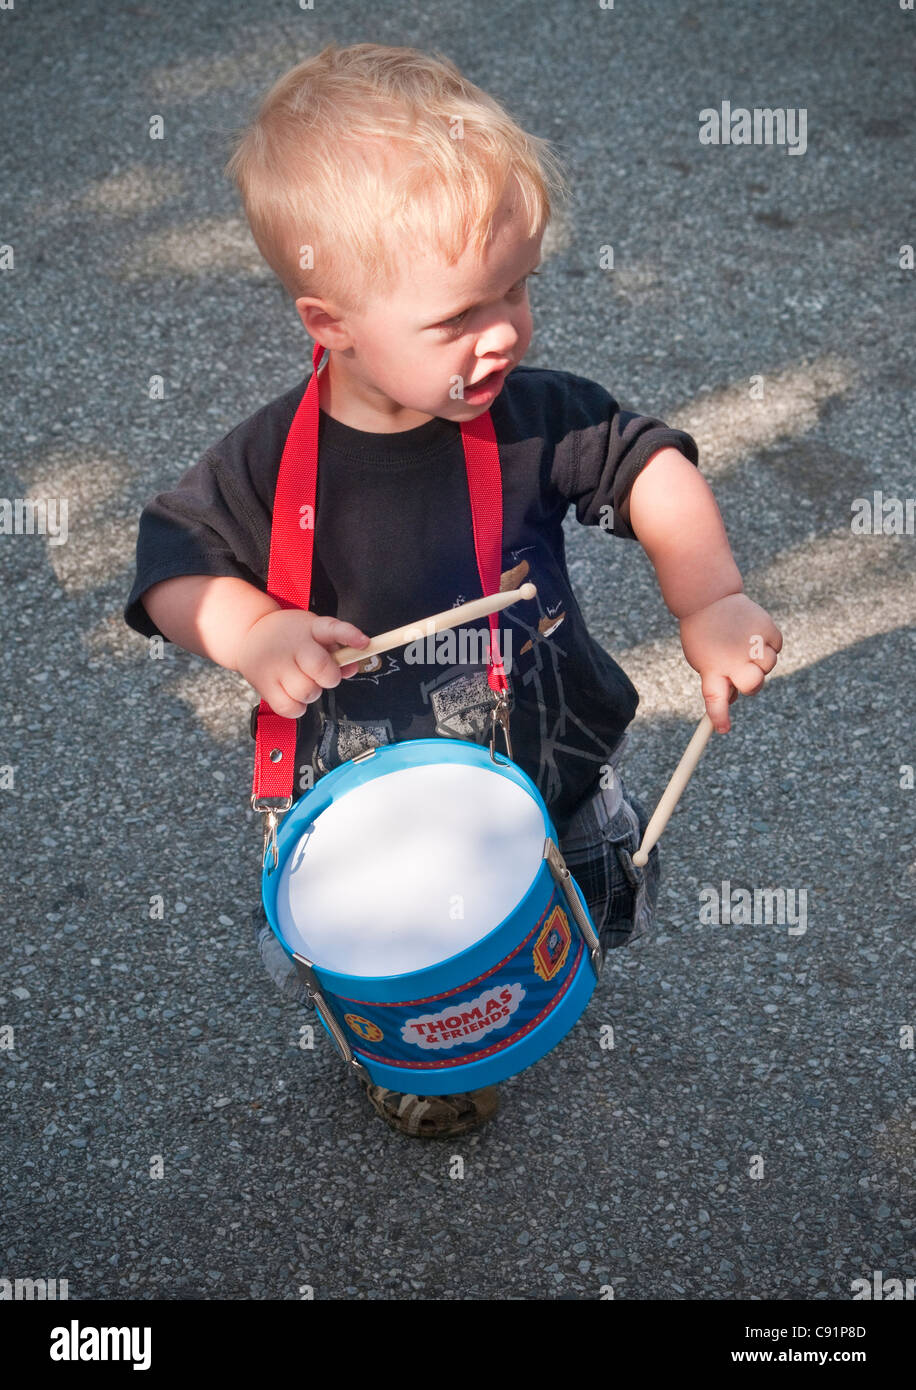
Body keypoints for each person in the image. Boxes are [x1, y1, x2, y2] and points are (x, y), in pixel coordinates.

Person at [123, 43, 782, 1141]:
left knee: (576, 916)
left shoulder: (531, 412)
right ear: (329, 324)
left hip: (546, 763)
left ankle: (542, 980)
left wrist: (709, 599)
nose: (506, 331)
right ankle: (439, 1062)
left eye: (517, 288)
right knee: (418, 990)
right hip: (374, 810)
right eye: (458, 317)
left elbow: (648, 468)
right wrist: (252, 631)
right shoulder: (269, 462)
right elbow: (169, 565)